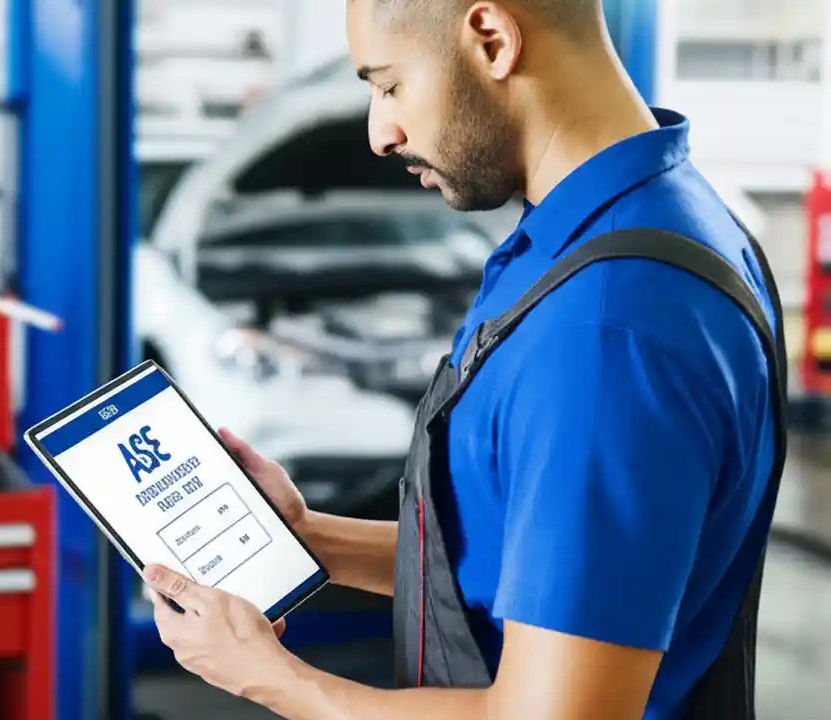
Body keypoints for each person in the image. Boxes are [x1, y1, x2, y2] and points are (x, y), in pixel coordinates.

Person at [141, 1, 788, 719]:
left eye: (388, 86)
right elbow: (540, 565)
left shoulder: (605, 326)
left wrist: (271, 678)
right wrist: (311, 539)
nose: (380, 133)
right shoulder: (654, 222)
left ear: (491, 38)